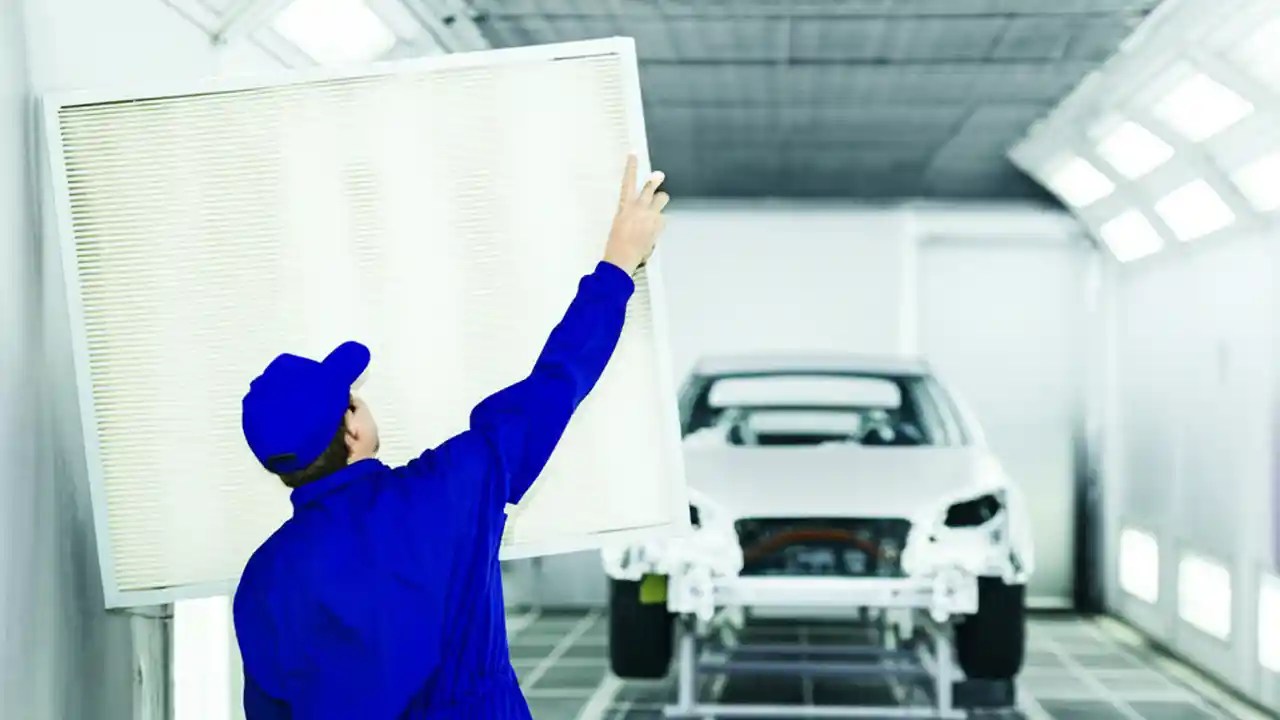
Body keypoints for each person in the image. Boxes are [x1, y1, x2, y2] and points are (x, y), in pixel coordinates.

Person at [233, 155, 669, 719]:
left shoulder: (263, 580)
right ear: (354, 428)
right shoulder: (450, 489)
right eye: (354, 396)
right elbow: (556, 383)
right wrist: (617, 265)